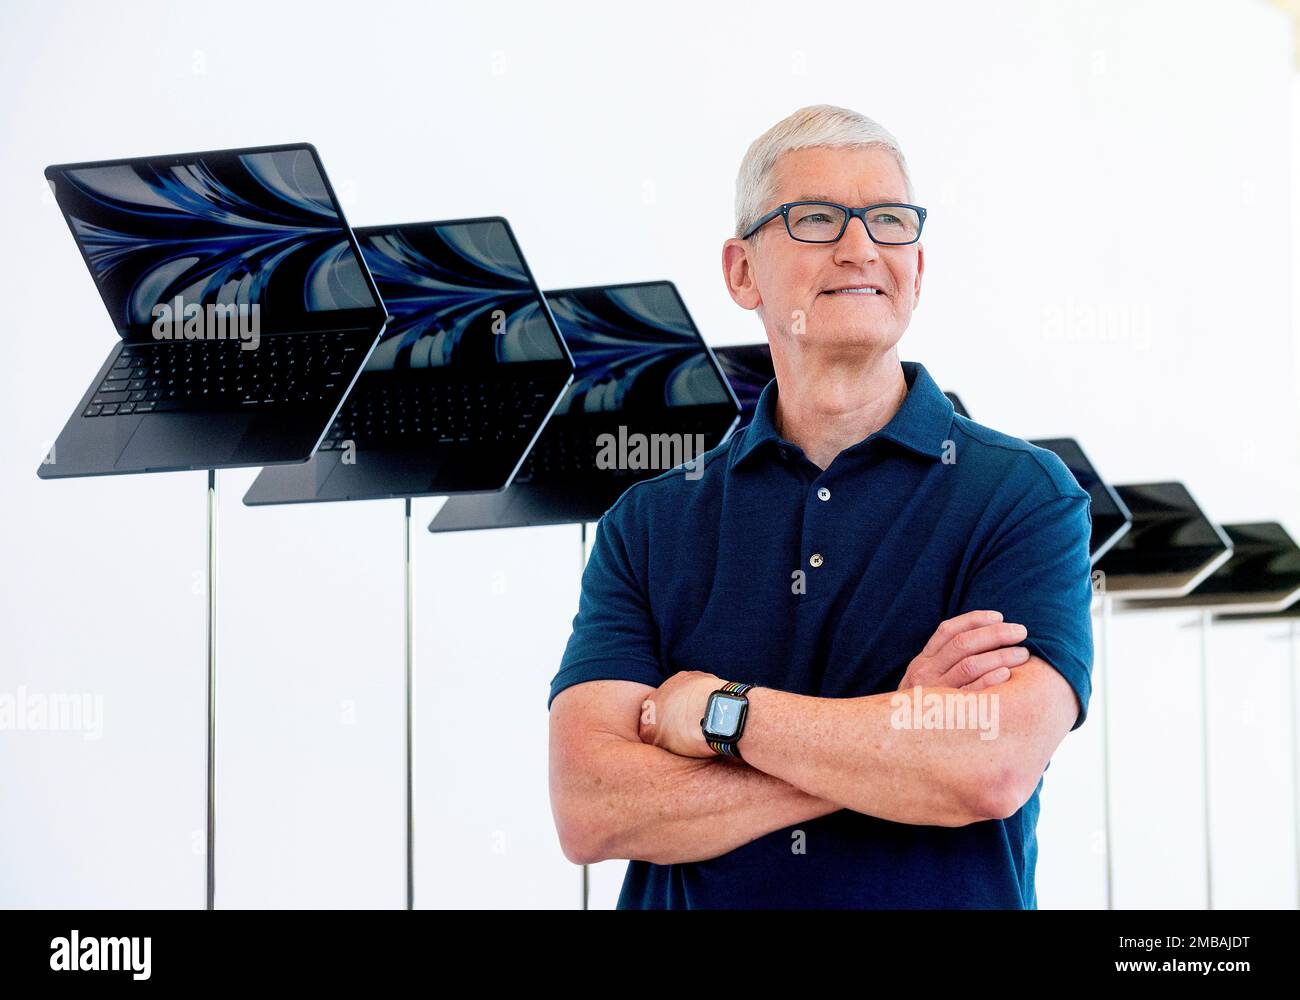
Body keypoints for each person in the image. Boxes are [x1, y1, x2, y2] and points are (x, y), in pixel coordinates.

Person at [547, 104, 1094, 908]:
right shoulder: (650, 524)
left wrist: (723, 717)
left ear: (918, 265)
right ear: (741, 272)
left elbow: (990, 766)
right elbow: (592, 809)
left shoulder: (1022, 498)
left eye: (888, 220)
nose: (860, 246)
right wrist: (899, 730)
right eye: (815, 219)